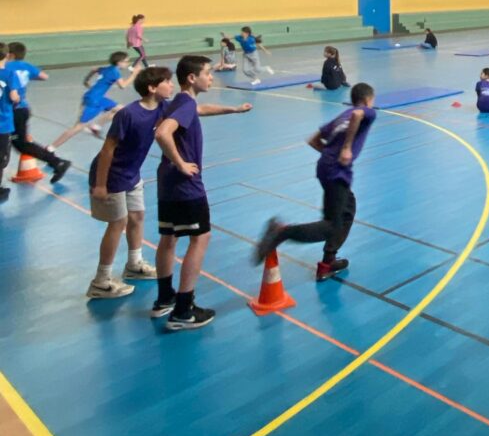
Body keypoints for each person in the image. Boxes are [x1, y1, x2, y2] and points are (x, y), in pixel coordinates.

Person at [152, 55, 252, 330]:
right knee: (201, 237)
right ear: (192, 78)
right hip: (185, 185)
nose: (211, 77)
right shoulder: (184, 104)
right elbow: (163, 133)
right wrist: (181, 162)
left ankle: (164, 299)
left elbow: (200, 109)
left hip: (166, 183)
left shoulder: (179, 102)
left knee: (168, 237)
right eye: (208, 73)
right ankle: (183, 310)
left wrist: (233, 110)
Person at [254, 83, 377, 282]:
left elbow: (314, 140)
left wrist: (331, 154)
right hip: (337, 173)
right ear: (368, 99)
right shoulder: (367, 112)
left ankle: (329, 261)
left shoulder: (342, 116)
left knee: (347, 208)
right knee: (332, 225)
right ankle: (281, 231)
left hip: (326, 167)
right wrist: (346, 148)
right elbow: (358, 116)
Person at [86, 66, 175, 299]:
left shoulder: (163, 107)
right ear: (152, 88)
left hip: (132, 174)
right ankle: (101, 281)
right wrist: (100, 184)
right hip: (112, 175)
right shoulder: (128, 114)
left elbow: (195, 111)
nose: (171, 85)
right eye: (167, 82)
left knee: (137, 217)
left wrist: (233, 109)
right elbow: (107, 150)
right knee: (118, 223)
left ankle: (134, 265)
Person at [4, 42, 70, 182]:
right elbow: (44, 76)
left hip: (13, 110)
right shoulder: (25, 66)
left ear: (10, 55)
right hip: (22, 108)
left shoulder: (6, 67)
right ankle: (56, 162)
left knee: (21, 143)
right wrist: (28, 77)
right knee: (19, 143)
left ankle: (57, 162)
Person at [50, 53, 136, 149]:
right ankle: (51, 147)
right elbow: (123, 85)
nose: (128, 63)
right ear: (119, 62)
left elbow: (94, 69)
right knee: (78, 127)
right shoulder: (115, 71)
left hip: (95, 97)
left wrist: (86, 80)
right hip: (94, 100)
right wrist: (135, 74)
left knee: (121, 110)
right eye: (126, 61)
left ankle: (96, 126)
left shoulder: (107, 68)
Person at [0, 43, 20, 204]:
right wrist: (17, 99)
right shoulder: (9, 74)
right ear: (7, 56)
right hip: (3, 123)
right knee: (2, 159)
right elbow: (14, 97)